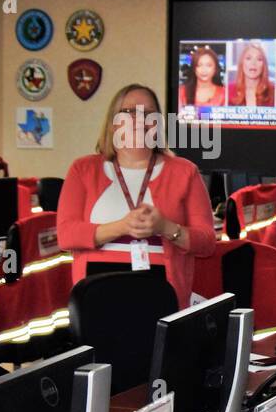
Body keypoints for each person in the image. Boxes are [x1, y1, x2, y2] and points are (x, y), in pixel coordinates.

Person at [56, 84, 215, 309]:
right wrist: (122, 227)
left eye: (149, 113)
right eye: (130, 112)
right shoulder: (83, 169)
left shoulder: (184, 171)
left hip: (163, 298)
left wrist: (165, 227)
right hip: (96, 298)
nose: (139, 120)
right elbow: (66, 235)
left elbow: (207, 243)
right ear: (113, 122)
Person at [228, 41, 273, 107]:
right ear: (242, 63)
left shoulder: (273, 91)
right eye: (248, 58)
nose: (253, 63)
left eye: (259, 59)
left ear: (264, 65)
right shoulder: (228, 90)